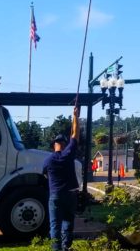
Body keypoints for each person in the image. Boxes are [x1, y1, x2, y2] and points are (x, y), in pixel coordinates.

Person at [43, 105, 80, 251]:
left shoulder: (48, 160)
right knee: (68, 222)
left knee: (54, 224)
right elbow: (75, 135)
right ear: (64, 145)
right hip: (70, 194)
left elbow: (45, 175)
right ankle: (66, 247)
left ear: (54, 146)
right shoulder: (68, 154)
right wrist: (75, 116)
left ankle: (56, 248)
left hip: (55, 195)